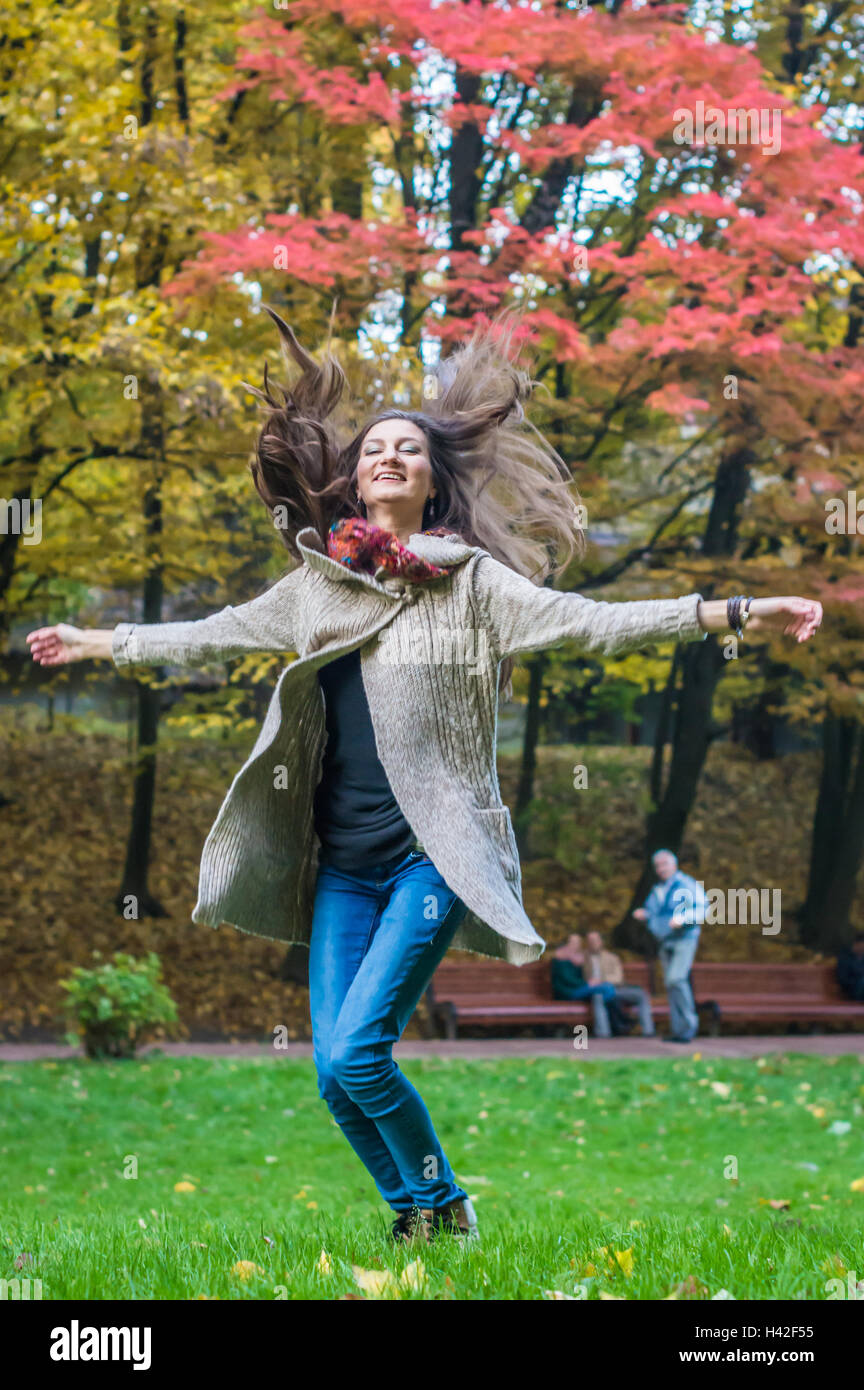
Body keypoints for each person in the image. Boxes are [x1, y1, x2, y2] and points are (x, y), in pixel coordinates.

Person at [26, 309, 823, 1245]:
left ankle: (446, 1205)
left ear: (433, 478)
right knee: (333, 1068)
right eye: (375, 449)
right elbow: (211, 632)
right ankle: (420, 1214)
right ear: (356, 478)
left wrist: (732, 610)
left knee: (361, 1050)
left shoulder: (475, 585)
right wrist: (93, 638)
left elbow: (595, 623)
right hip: (344, 868)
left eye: (409, 448)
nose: (390, 457)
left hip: (430, 860)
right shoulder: (318, 584)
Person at [633, 849, 707, 1043]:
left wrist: (683, 918)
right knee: (670, 985)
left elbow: (702, 909)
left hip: (684, 938)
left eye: (664, 864)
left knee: (676, 979)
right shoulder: (658, 889)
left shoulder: (687, 884)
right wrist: (645, 914)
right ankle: (678, 1031)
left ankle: (689, 1025)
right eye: (657, 866)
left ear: (673, 864)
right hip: (665, 941)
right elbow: (654, 911)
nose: (661, 869)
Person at [584, 930, 655, 1037]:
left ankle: (648, 1031)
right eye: (590, 940)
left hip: (617, 989)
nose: (593, 943)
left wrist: (601, 980)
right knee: (597, 996)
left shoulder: (612, 958)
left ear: (601, 941)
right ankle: (603, 1033)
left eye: (595, 940)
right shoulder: (585, 959)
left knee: (641, 995)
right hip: (600, 991)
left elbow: (618, 977)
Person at [550, 934, 618, 1036]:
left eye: (577, 943)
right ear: (566, 944)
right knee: (608, 988)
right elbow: (568, 980)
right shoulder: (560, 959)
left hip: (579, 989)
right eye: (572, 942)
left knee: (599, 995)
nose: (575, 945)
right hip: (567, 992)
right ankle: (613, 1013)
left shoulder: (577, 958)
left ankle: (605, 1030)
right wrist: (587, 983)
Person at [836, 933, 864, 1002]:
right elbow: (843, 979)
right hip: (852, 990)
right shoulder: (845, 958)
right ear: (856, 944)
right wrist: (858, 982)